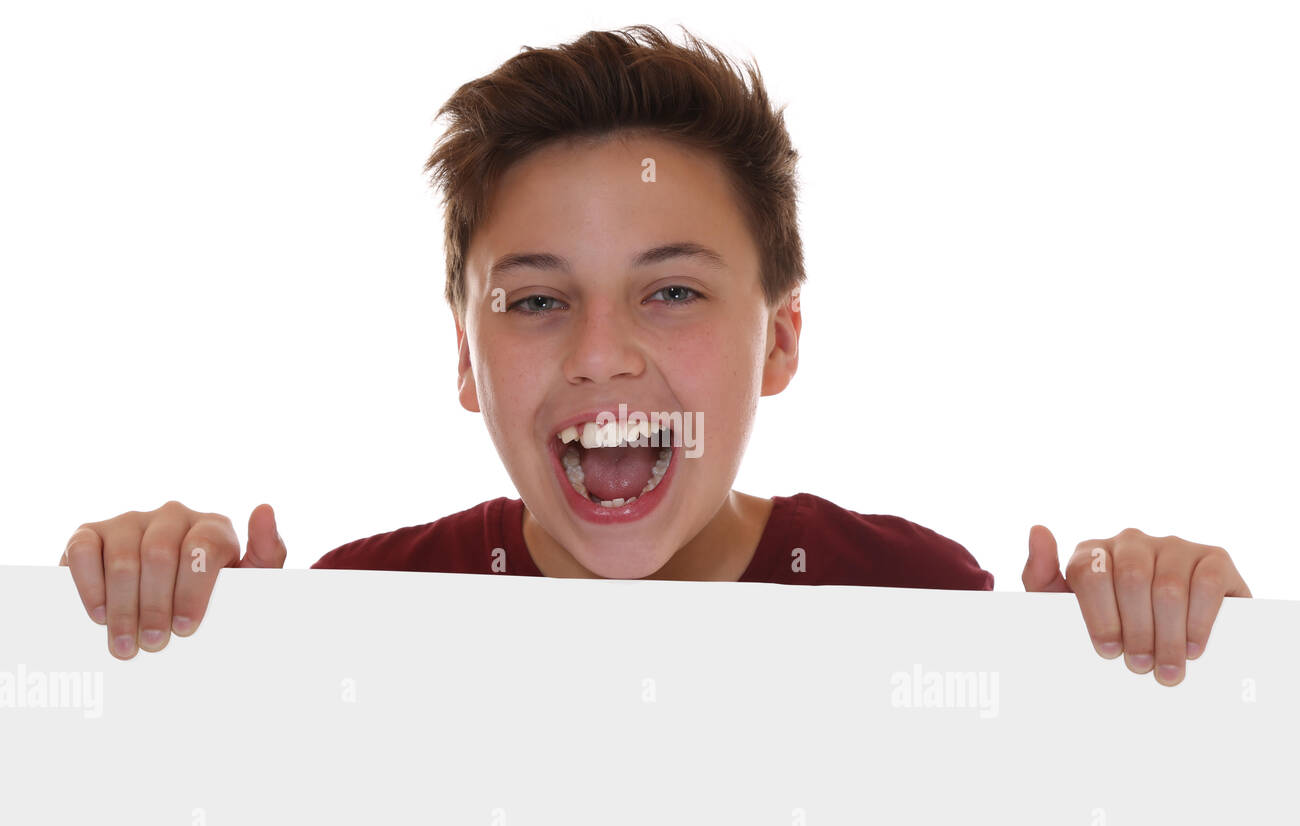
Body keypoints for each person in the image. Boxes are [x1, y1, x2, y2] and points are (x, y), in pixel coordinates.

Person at [57, 26, 1251, 685]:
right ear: (466, 359)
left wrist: (1167, 681)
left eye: (670, 290)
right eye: (533, 304)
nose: (602, 357)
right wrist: (178, 662)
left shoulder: (911, 599)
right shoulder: (366, 609)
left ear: (779, 337)